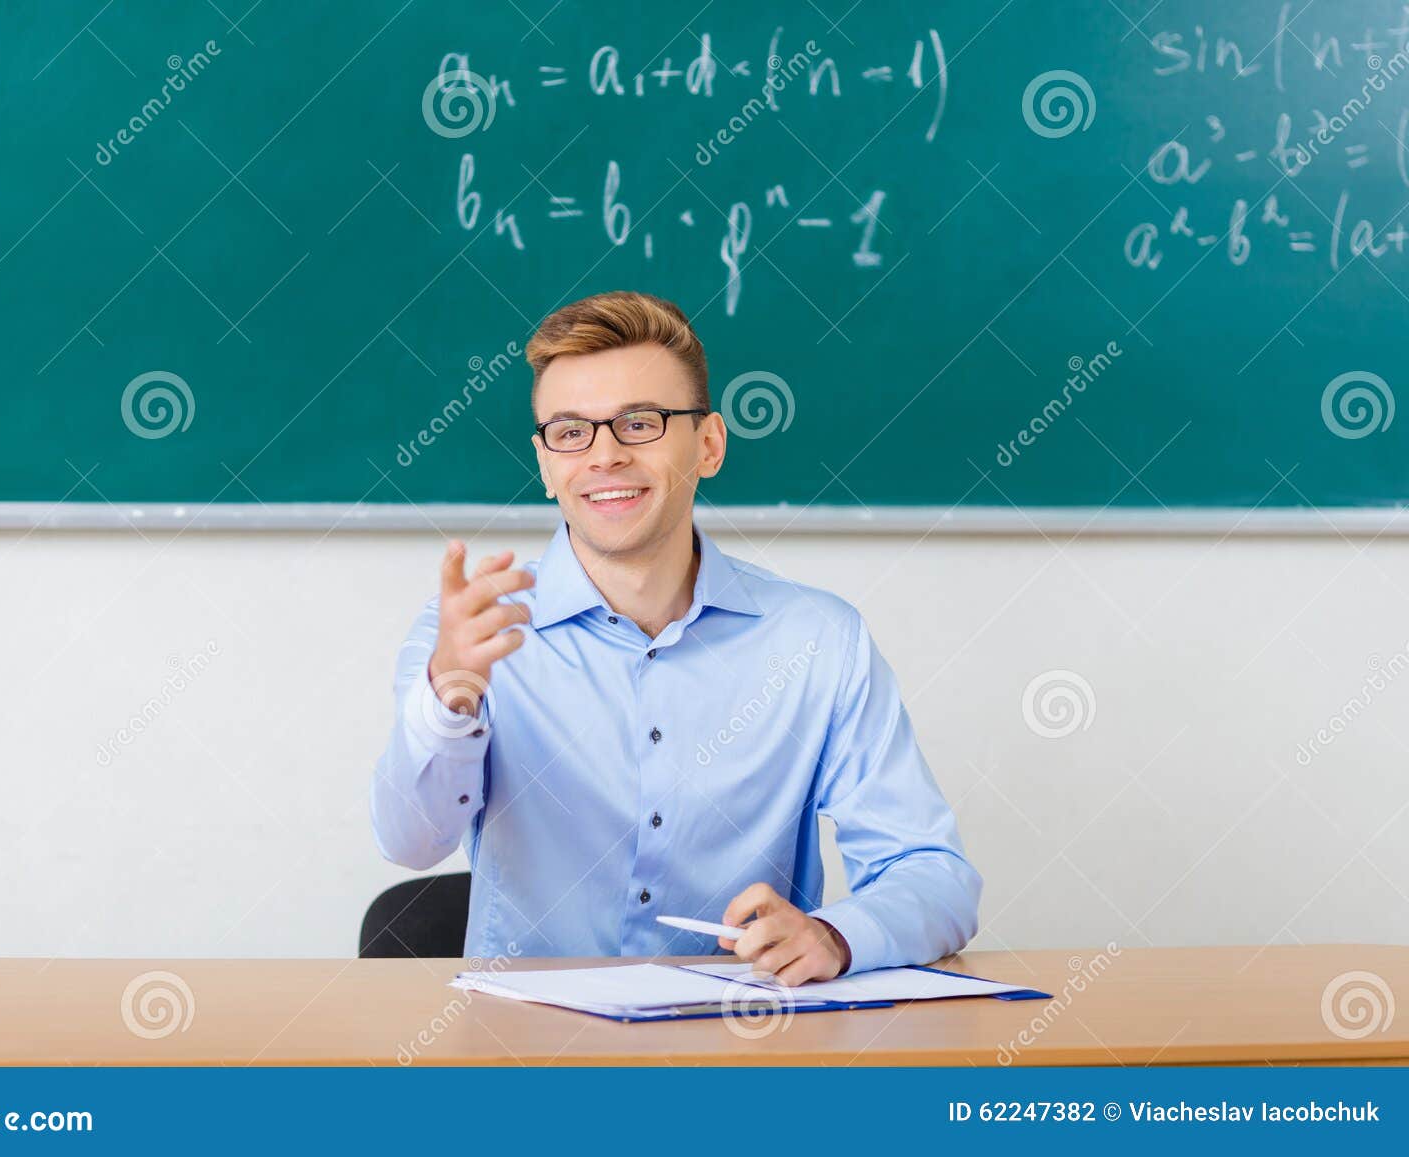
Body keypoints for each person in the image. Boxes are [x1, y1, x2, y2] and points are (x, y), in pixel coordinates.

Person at [371, 290, 981, 984]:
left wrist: (836, 937)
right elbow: (410, 842)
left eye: (640, 423)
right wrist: (449, 700)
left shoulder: (818, 641)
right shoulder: (471, 635)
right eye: (570, 432)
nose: (604, 456)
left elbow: (933, 873)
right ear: (545, 463)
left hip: (740, 1032)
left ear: (709, 444)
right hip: (525, 1035)